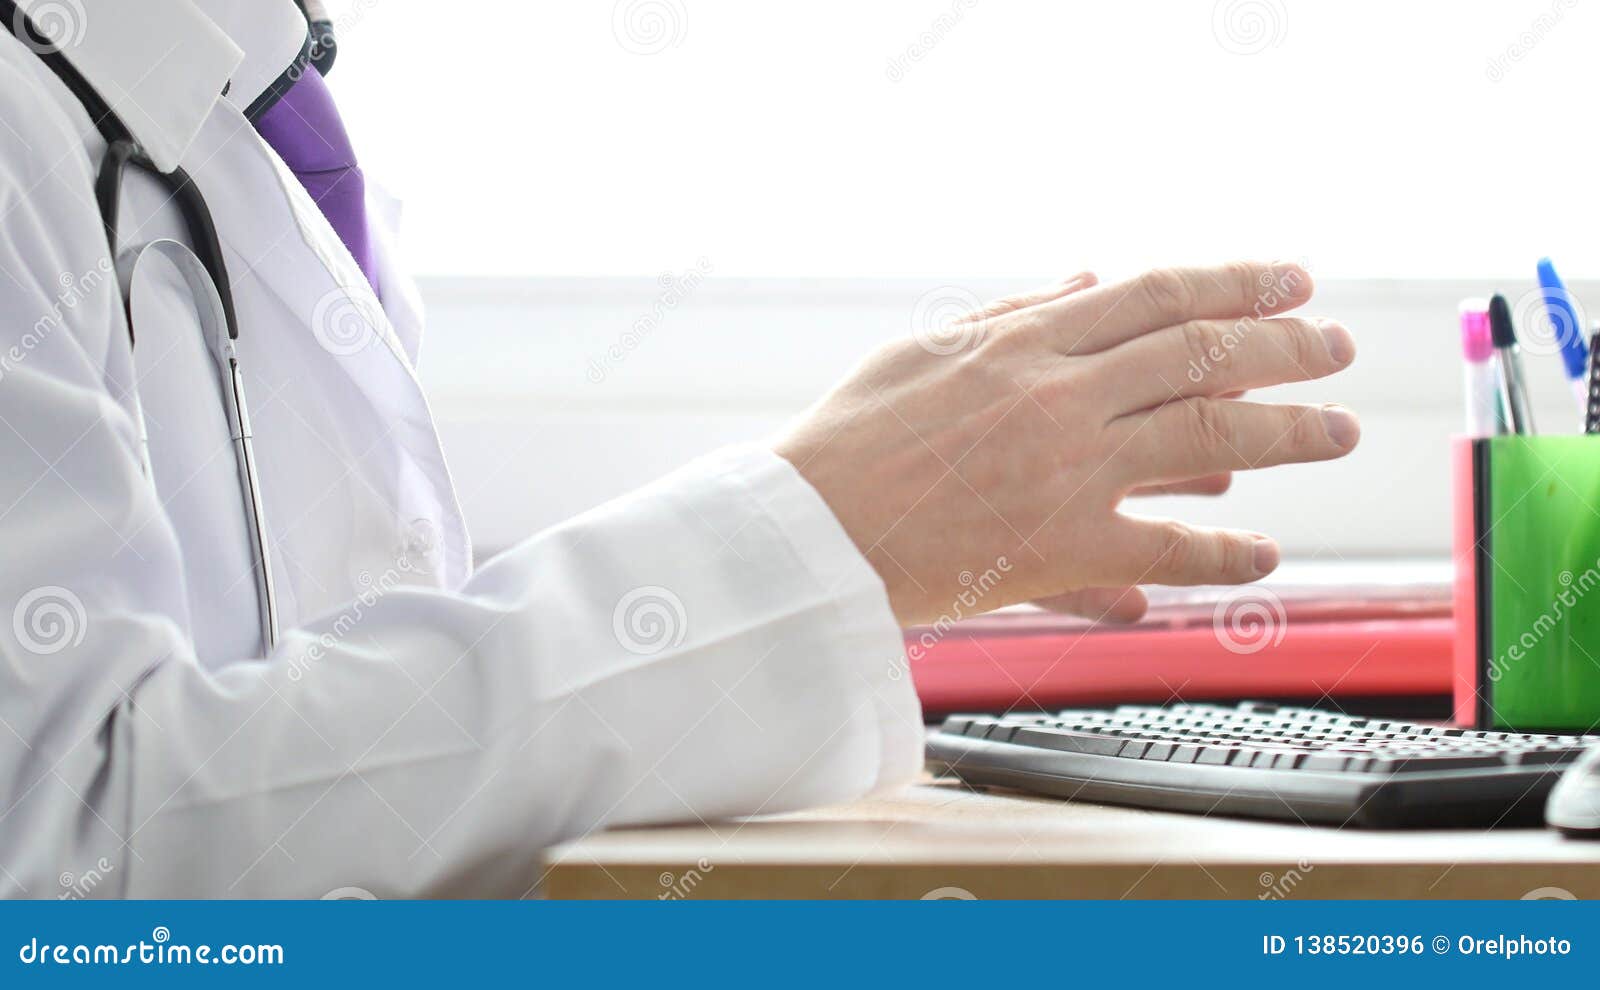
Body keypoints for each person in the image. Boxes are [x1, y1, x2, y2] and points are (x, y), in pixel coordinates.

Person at [0, 0, 1358, 897]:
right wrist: (815, 539)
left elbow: (313, 698)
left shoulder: (231, 112)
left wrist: (840, 533)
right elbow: (61, 867)